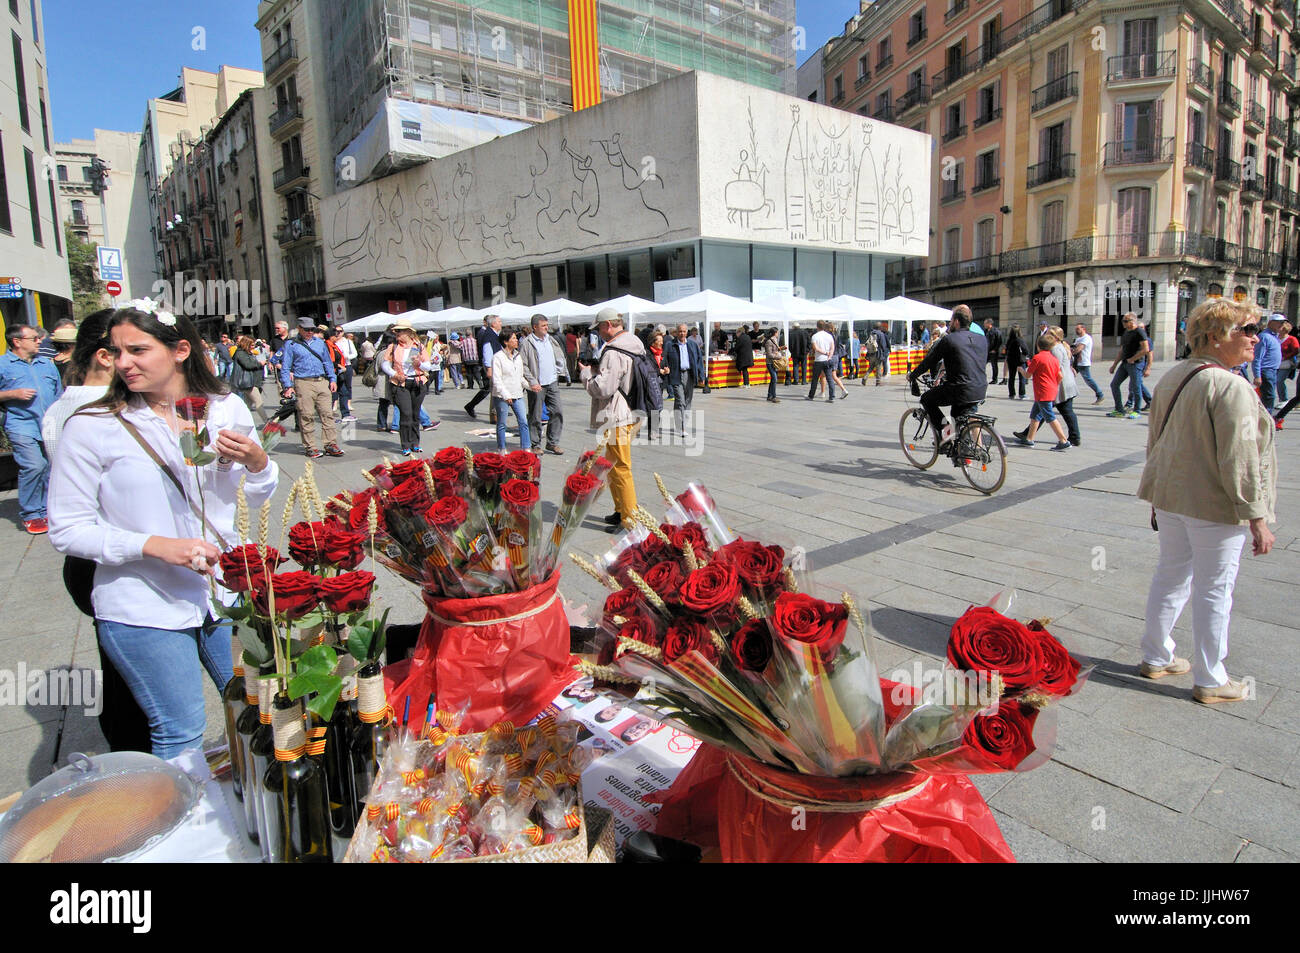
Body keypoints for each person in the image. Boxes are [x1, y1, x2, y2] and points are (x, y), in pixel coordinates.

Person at [47, 301, 280, 758]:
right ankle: (179, 824)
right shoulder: (94, 425)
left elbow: (255, 497)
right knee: (181, 730)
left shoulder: (224, 407)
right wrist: (153, 546)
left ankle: (254, 811)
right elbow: (67, 529)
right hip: (142, 604)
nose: (123, 362)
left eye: (137, 349)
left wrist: (258, 462)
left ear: (180, 350)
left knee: (265, 709)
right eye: (115, 351)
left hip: (222, 594)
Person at [1137, 300, 1276, 704]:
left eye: (1255, 329)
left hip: (1171, 496)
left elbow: (1156, 441)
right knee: (1215, 588)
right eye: (1246, 329)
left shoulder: (1175, 374)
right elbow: (1240, 457)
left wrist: (1155, 493)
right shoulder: (1230, 386)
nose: (1256, 337)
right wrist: (1258, 516)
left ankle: (1156, 655)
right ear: (1216, 337)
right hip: (1212, 504)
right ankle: (1212, 679)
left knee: (1171, 575)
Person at [42, 309, 151, 752]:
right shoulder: (91, 414)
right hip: (110, 557)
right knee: (129, 676)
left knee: (122, 667)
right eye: (135, 350)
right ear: (108, 357)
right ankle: (137, 767)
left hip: (100, 559)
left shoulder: (65, 408)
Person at [583, 309, 644, 529]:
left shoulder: (613, 351)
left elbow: (603, 388)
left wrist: (586, 375)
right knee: (613, 466)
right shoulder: (634, 342)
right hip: (631, 411)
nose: (599, 333)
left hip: (617, 415)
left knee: (620, 468)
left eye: (599, 327)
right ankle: (620, 511)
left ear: (608, 324)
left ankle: (630, 520)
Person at [0, 322, 64, 533]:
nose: (40, 341)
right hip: (21, 424)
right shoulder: (3, 365)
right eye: (34, 338)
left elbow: (58, 392)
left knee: (49, 468)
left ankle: (47, 510)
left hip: (48, 424)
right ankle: (31, 513)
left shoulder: (46, 364)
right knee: (34, 466)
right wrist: (12, 394)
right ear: (17, 342)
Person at [906, 305, 989, 450]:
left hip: (959, 388)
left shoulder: (949, 340)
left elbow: (929, 361)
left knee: (927, 399)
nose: (950, 324)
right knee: (957, 413)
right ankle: (960, 450)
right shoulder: (982, 339)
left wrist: (913, 375)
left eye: (951, 321)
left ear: (956, 322)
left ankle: (947, 435)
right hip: (980, 388)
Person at [279, 317, 343, 458]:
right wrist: (288, 386)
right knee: (306, 415)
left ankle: (330, 444)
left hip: (321, 381)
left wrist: (332, 378)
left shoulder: (320, 343)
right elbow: (285, 367)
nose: (309, 332)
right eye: (306, 329)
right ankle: (310, 447)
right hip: (303, 382)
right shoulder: (291, 344)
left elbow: (327, 362)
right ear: (299, 329)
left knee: (327, 414)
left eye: (312, 330)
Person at [381, 320, 437, 455]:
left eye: (399, 331)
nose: (397, 334)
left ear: (408, 332)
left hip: (417, 382)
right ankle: (405, 445)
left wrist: (420, 364)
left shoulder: (419, 346)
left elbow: (428, 366)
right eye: (396, 331)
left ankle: (415, 443)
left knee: (415, 414)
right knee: (406, 414)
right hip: (401, 383)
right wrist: (395, 374)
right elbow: (385, 365)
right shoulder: (393, 346)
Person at [1012, 335, 1071, 451]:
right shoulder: (1053, 359)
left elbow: (1028, 375)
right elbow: (1060, 376)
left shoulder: (1037, 358)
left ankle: (1063, 440)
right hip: (1050, 390)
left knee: (1050, 416)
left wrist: (1021, 370)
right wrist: (1054, 385)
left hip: (1042, 392)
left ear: (1038, 346)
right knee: (1035, 415)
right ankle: (1029, 439)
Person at [521, 314, 567, 454]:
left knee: (557, 411)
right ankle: (535, 444)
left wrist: (559, 372)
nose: (547, 328)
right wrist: (532, 381)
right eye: (543, 326)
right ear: (535, 327)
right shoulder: (527, 343)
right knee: (536, 414)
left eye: (547, 325)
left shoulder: (550, 339)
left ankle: (553, 443)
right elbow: (523, 365)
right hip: (537, 384)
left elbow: (559, 356)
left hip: (552, 381)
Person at [491, 328, 531, 452]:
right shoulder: (497, 357)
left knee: (523, 421)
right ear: (505, 341)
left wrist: (531, 386)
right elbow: (497, 379)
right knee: (502, 424)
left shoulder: (518, 356)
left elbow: (520, 377)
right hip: (502, 396)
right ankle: (502, 448)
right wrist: (505, 395)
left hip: (517, 394)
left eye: (516, 338)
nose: (516, 340)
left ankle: (526, 447)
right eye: (513, 338)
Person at [664, 322, 705, 436]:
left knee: (687, 401)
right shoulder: (670, 345)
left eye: (684, 331)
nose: (682, 333)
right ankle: (681, 428)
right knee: (680, 400)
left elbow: (698, 360)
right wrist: (665, 369)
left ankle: (682, 424)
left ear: (687, 332)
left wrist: (701, 375)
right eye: (680, 331)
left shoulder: (692, 345)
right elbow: (664, 359)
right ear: (676, 332)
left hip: (690, 375)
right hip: (676, 374)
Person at [1108, 312, 1150, 419]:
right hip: (1125, 364)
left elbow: (1146, 349)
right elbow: (1122, 350)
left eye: (1125, 321)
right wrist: (1114, 365)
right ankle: (1119, 409)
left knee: (1136, 387)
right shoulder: (1126, 332)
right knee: (1114, 384)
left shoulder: (1139, 332)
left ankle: (1137, 410)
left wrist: (1133, 359)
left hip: (1136, 364)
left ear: (1132, 321)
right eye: (1123, 321)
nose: (1123, 323)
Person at [465, 314, 502, 421]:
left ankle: (495, 412)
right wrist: (488, 367)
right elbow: (485, 350)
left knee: (490, 388)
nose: (501, 323)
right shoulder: (485, 333)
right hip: (488, 365)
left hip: (490, 364)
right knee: (489, 388)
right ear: (492, 323)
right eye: (499, 322)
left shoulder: (491, 333)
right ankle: (474, 406)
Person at [1048, 327, 1081, 447]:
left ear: (1056, 337)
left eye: (1049, 334)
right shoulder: (1060, 347)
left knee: (1064, 411)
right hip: (1065, 383)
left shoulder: (1056, 349)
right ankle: (1028, 434)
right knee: (1044, 410)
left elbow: (1056, 369)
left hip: (1062, 384)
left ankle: (1075, 437)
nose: (1046, 336)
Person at [1249, 314, 1284, 412]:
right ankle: (1266, 418)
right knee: (1269, 397)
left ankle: (1266, 417)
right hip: (1266, 370)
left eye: (1282, 323)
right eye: (1279, 322)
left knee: (1269, 396)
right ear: (1270, 323)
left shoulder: (1274, 336)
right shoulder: (1264, 336)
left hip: (1273, 370)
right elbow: (1258, 357)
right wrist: (1257, 375)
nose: (1281, 325)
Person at [229, 335, 266, 416]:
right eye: (252, 345)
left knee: (247, 405)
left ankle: (241, 422)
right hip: (248, 382)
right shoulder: (241, 353)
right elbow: (248, 365)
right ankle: (267, 422)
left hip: (250, 382)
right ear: (246, 344)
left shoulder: (246, 352)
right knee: (258, 403)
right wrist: (260, 364)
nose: (254, 347)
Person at [1071, 323, 1105, 404]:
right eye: (1076, 329)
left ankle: (1100, 395)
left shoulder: (1086, 338)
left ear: (1083, 329)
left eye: (1078, 329)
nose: (1076, 330)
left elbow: (1078, 349)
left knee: (1088, 379)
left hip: (1083, 362)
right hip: (1076, 362)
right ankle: (1067, 395)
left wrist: (1070, 353)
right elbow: (1073, 347)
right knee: (1068, 377)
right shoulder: (1078, 339)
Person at [805, 320, 838, 403]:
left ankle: (811, 396)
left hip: (819, 359)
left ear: (817, 327)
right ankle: (832, 396)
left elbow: (815, 348)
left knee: (815, 379)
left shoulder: (815, 336)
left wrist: (824, 352)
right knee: (830, 378)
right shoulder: (829, 336)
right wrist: (829, 355)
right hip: (828, 359)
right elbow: (832, 347)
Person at [1276, 320, 1297, 403]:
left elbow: (1296, 350)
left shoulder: (1292, 339)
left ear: (1285, 329)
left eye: (1280, 328)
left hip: (1286, 363)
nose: (1278, 329)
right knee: (1273, 381)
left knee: (1279, 380)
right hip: (1274, 363)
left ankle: (1284, 399)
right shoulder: (1275, 338)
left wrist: (1285, 357)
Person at [1004, 326, 1027, 399]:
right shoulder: (1020, 340)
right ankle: (1022, 393)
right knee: (1022, 378)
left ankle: (1011, 394)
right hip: (1020, 360)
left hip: (1011, 360)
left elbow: (1006, 349)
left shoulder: (1009, 340)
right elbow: (1026, 350)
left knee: (1011, 377)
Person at [762, 329, 782, 404]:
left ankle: (769, 395)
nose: (778, 334)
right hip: (770, 363)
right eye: (777, 332)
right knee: (774, 379)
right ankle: (774, 396)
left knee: (773, 379)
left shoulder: (775, 340)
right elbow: (769, 354)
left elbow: (774, 351)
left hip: (774, 363)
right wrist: (778, 356)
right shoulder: (769, 342)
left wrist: (778, 351)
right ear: (775, 333)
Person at [983, 320, 1002, 385]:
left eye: (985, 323)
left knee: (994, 365)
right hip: (986, 351)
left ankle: (995, 379)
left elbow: (999, 341)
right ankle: (982, 378)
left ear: (989, 324)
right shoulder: (985, 331)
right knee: (982, 364)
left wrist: (995, 349)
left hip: (993, 351)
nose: (984, 325)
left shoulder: (995, 331)